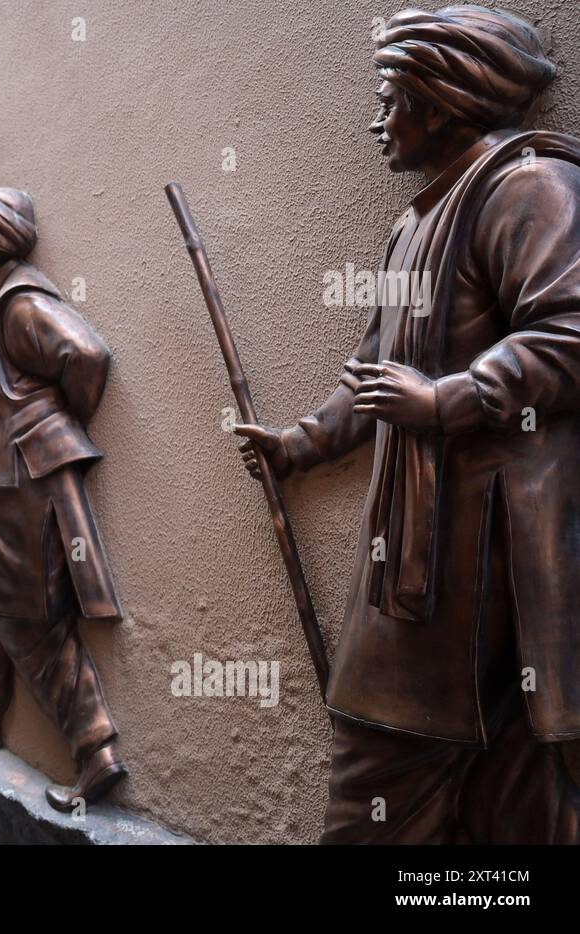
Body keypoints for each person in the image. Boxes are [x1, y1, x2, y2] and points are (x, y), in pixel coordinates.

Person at [237, 6, 580, 843]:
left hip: (492, 554)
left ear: (446, 97)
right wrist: (302, 445)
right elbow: (372, 373)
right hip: (418, 554)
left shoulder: (528, 187)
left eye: (393, 97)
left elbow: (570, 333)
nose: (377, 119)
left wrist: (447, 401)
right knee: (492, 795)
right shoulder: (412, 226)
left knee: (394, 769)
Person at [0, 187, 126, 810]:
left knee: (33, 624)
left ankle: (95, 750)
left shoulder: (21, 303)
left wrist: (58, 419)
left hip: (26, 492)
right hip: (5, 491)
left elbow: (87, 354)